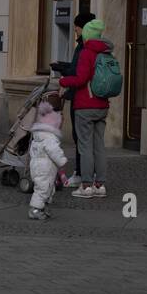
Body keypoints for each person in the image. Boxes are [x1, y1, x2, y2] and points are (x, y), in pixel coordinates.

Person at [59, 17, 112, 198]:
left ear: (88, 35)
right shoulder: (106, 52)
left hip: (85, 105)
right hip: (102, 105)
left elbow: (80, 79)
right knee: (99, 146)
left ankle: (87, 185)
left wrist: (63, 81)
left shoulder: (86, 52)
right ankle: (100, 185)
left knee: (85, 146)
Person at [50, 9, 94, 185]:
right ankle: (91, 175)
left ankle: (81, 174)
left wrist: (62, 73)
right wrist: (63, 66)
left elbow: (78, 74)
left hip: (81, 99)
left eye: (76, 28)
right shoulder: (95, 47)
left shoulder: (84, 47)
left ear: (83, 28)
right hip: (93, 101)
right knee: (90, 142)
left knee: (80, 138)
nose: (75, 31)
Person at [25, 100, 68, 220]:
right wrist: (62, 161)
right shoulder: (49, 138)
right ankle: (34, 209)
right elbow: (54, 151)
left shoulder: (38, 136)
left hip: (38, 167)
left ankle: (43, 207)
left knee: (47, 188)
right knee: (43, 189)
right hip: (45, 168)